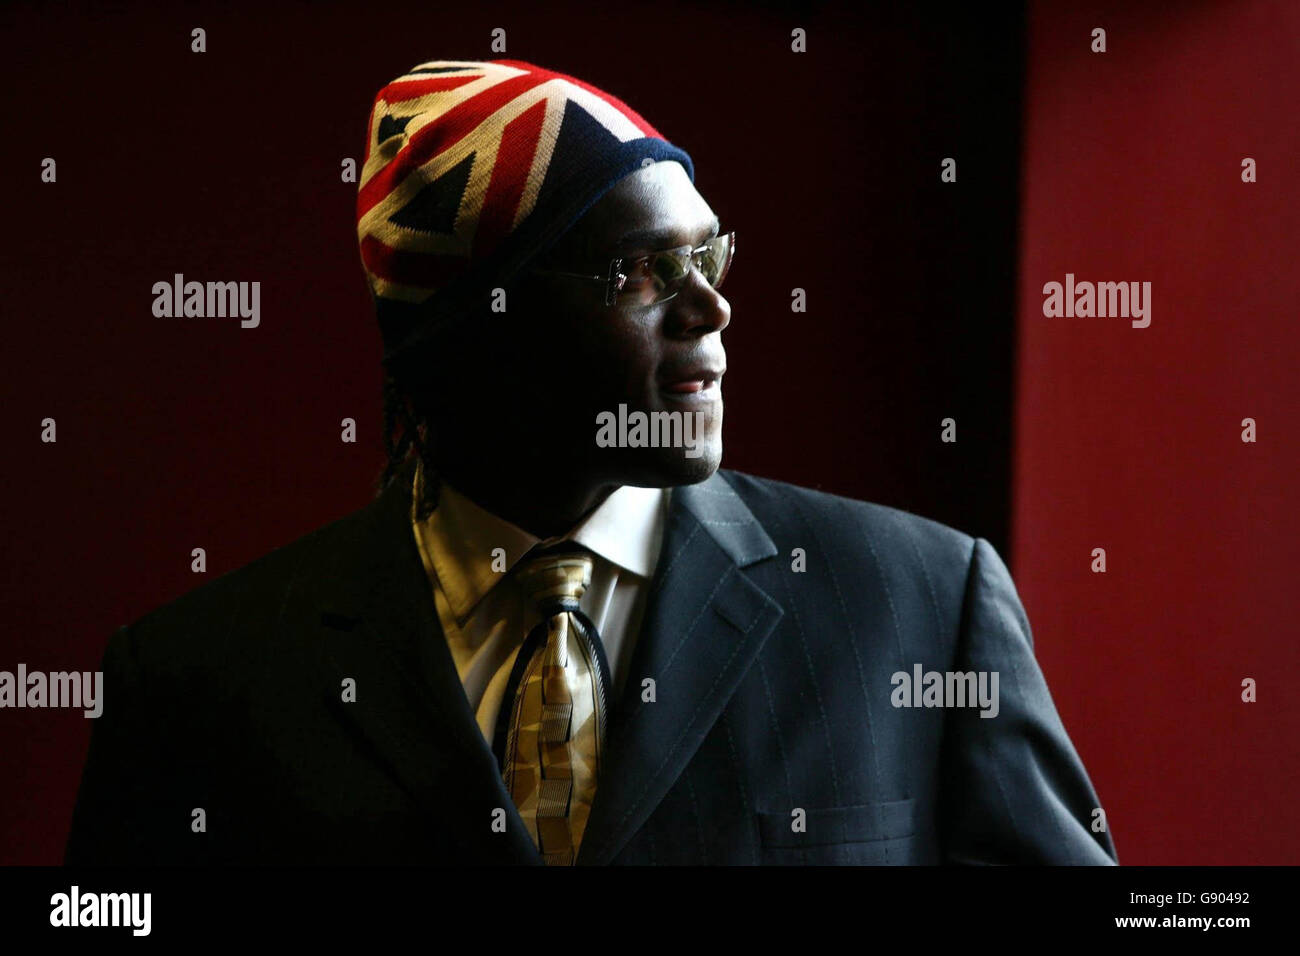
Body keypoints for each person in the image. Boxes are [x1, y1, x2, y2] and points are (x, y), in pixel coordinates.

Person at [65, 59, 1117, 866]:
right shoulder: (197, 683)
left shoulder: (922, 600)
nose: (711, 308)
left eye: (708, 255)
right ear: (478, 325)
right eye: (641, 270)